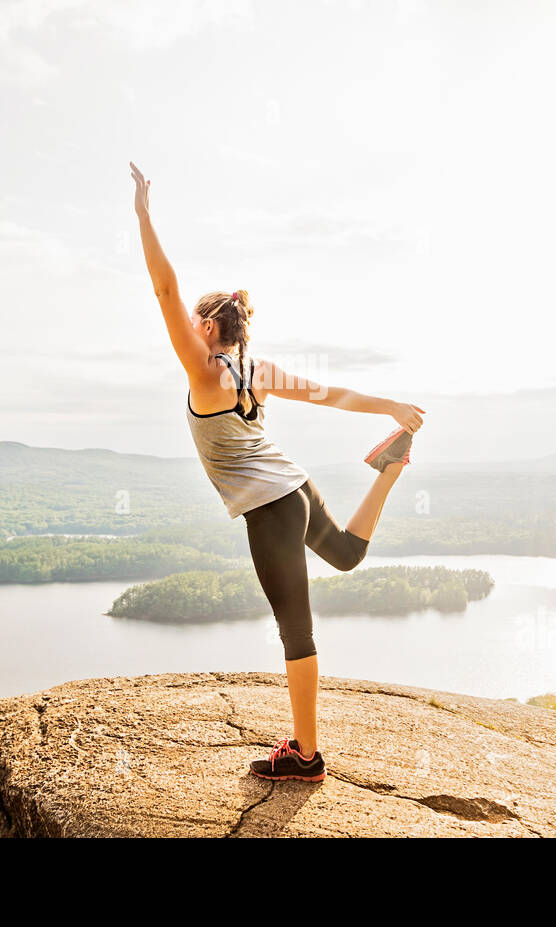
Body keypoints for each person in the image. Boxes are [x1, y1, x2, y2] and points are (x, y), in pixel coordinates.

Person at [130, 161, 424, 783]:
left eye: (193, 323)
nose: (185, 327)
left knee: (296, 630)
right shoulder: (255, 371)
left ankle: (306, 755)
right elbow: (328, 394)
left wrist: (143, 215)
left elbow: (163, 288)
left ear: (208, 328)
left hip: (269, 508)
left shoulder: (205, 371)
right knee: (345, 554)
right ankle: (388, 469)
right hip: (295, 486)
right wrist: (391, 407)